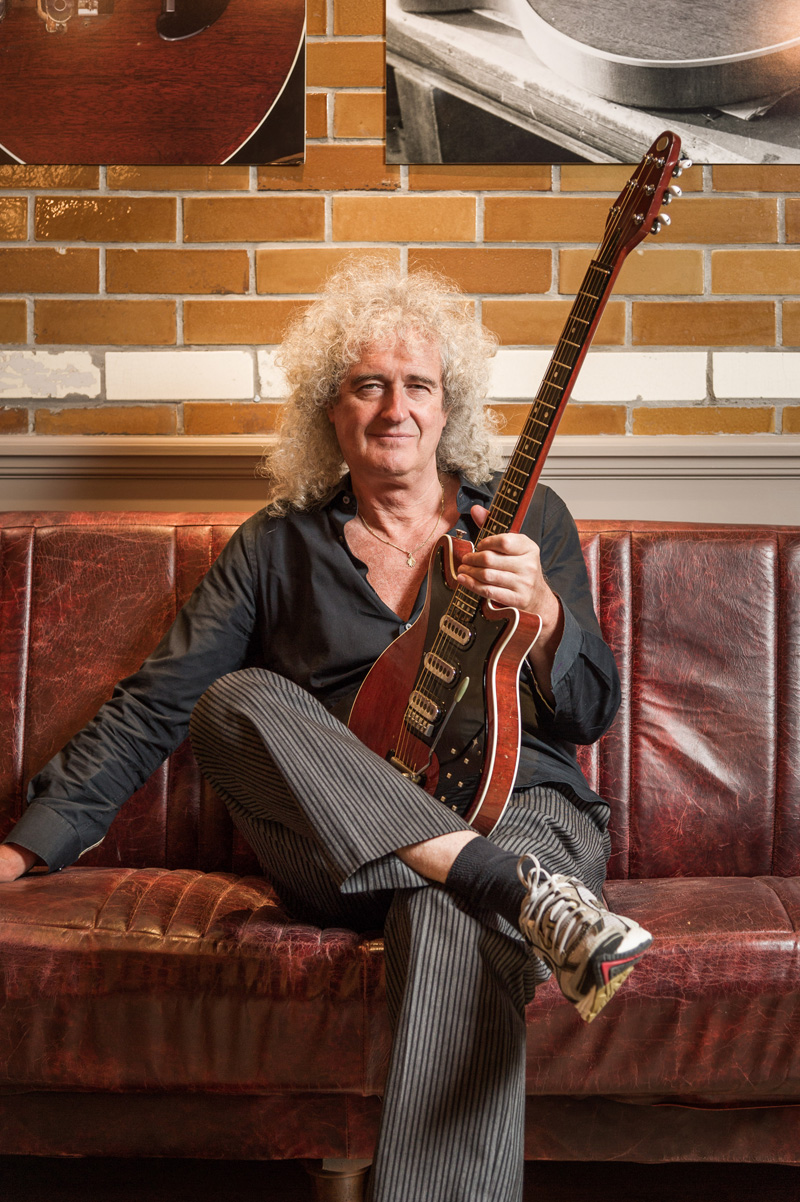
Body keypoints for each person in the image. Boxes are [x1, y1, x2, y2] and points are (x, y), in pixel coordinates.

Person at [0, 264, 650, 1202]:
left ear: (449, 406)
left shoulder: (526, 517)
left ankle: (486, 878)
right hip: (351, 851)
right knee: (235, 702)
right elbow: (157, 703)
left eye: (418, 385)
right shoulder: (277, 544)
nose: (396, 408)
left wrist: (546, 615)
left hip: (527, 813)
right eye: (367, 385)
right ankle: (509, 887)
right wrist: (25, 848)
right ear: (328, 411)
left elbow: (589, 713)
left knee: (443, 910)